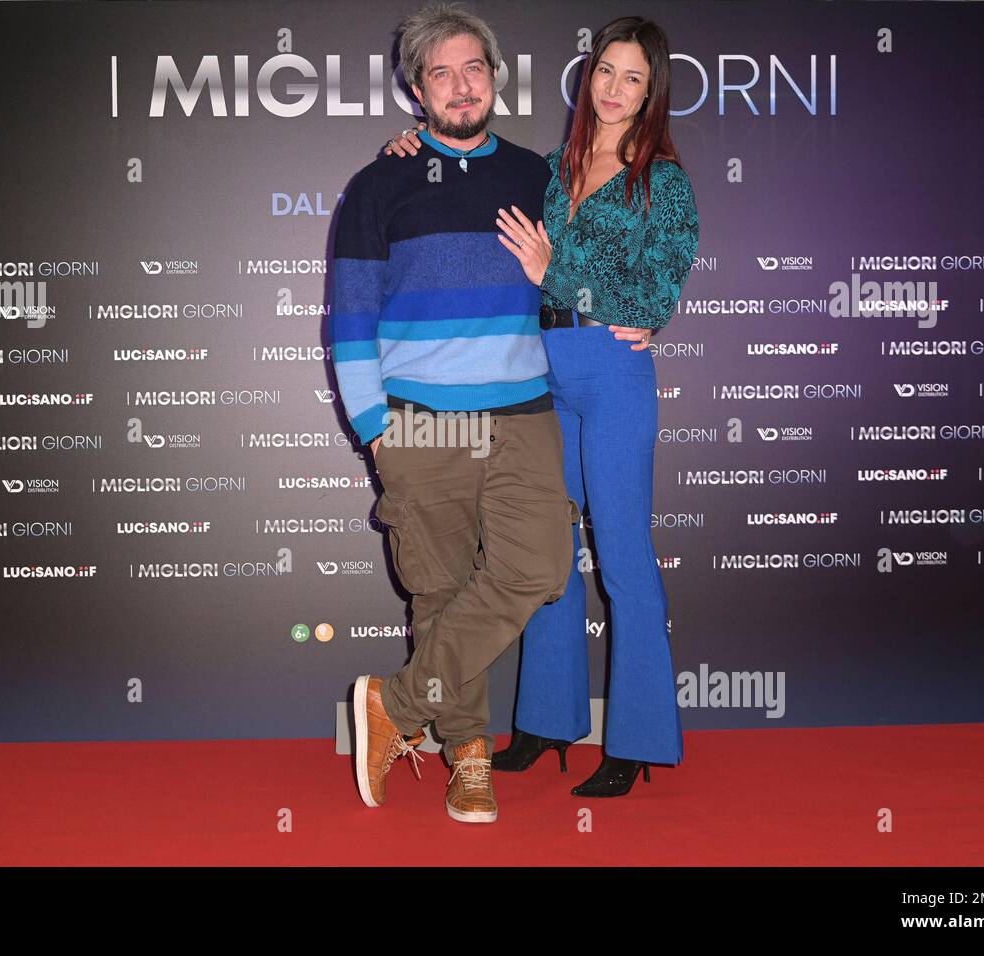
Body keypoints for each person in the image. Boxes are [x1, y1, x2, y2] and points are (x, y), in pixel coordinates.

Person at [382, 15, 699, 797]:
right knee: (548, 558)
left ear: (653, 88)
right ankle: (546, 724)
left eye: (634, 77)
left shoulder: (664, 179)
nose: (617, 89)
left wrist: (560, 273)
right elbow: (472, 167)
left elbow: (651, 296)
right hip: (537, 369)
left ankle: (637, 739)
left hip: (611, 370)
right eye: (606, 72)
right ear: (587, 78)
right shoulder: (551, 169)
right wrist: (407, 144)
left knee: (623, 560)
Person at [332, 3, 577, 824]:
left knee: (537, 568)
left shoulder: (539, 177)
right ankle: (468, 758)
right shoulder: (379, 184)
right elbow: (351, 317)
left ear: (495, 78)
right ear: (415, 88)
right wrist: (375, 427)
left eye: (474, 68)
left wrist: (582, 289)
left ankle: (395, 707)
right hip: (421, 420)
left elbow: (585, 288)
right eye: (441, 72)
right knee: (437, 592)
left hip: (521, 412)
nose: (461, 85)